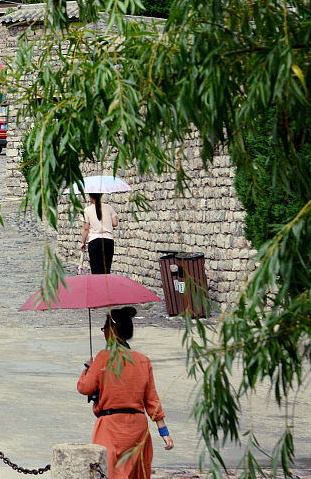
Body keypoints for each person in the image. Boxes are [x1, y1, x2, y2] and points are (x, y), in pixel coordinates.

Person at [77, 307, 174, 479]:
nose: (104, 332)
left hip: (110, 428)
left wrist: (87, 368)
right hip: (137, 429)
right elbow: (152, 400)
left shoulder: (103, 357)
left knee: (109, 474)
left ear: (112, 330)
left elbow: (85, 388)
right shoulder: (143, 361)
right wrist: (164, 432)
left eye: (104, 328)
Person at [82, 192, 119, 274]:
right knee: (106, 270)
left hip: (95, 242)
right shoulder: (109, 208)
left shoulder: (87, 210)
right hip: (108, 241)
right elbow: (115, 223)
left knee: (95, 271)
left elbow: (86, 229)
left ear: (90, 197)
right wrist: (106, 222)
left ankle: (96, 286)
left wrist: (83, 242)